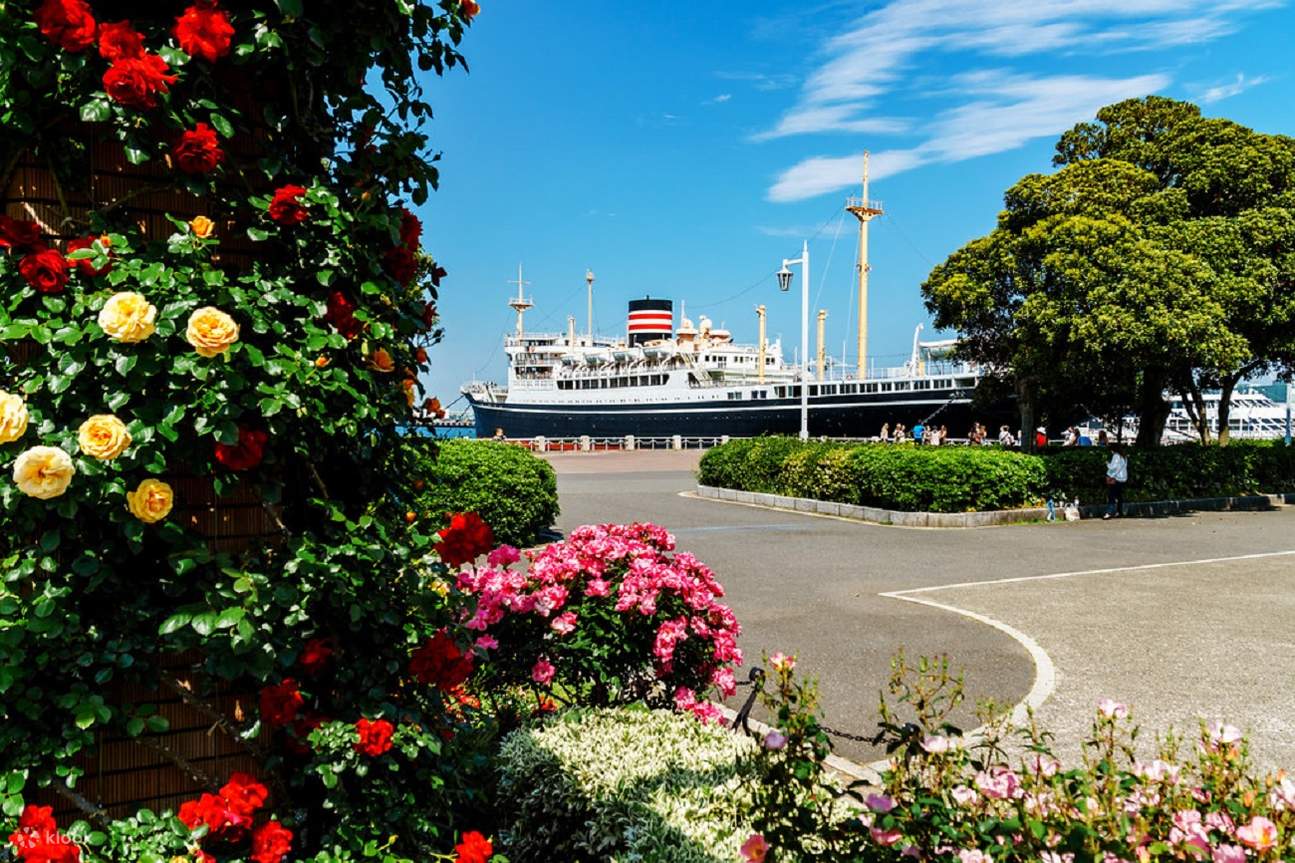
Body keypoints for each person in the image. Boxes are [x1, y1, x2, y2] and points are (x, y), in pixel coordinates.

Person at [1103, 443, 1128, 520]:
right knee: (1119, 496)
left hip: (1116, 478)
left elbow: (1113, 467)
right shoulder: (1124, 456)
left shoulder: (1116, 456)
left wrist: (1107, 464)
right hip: (1123, 478)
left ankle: (1109, 512)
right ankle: (1119, 512)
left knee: (1111, 495)